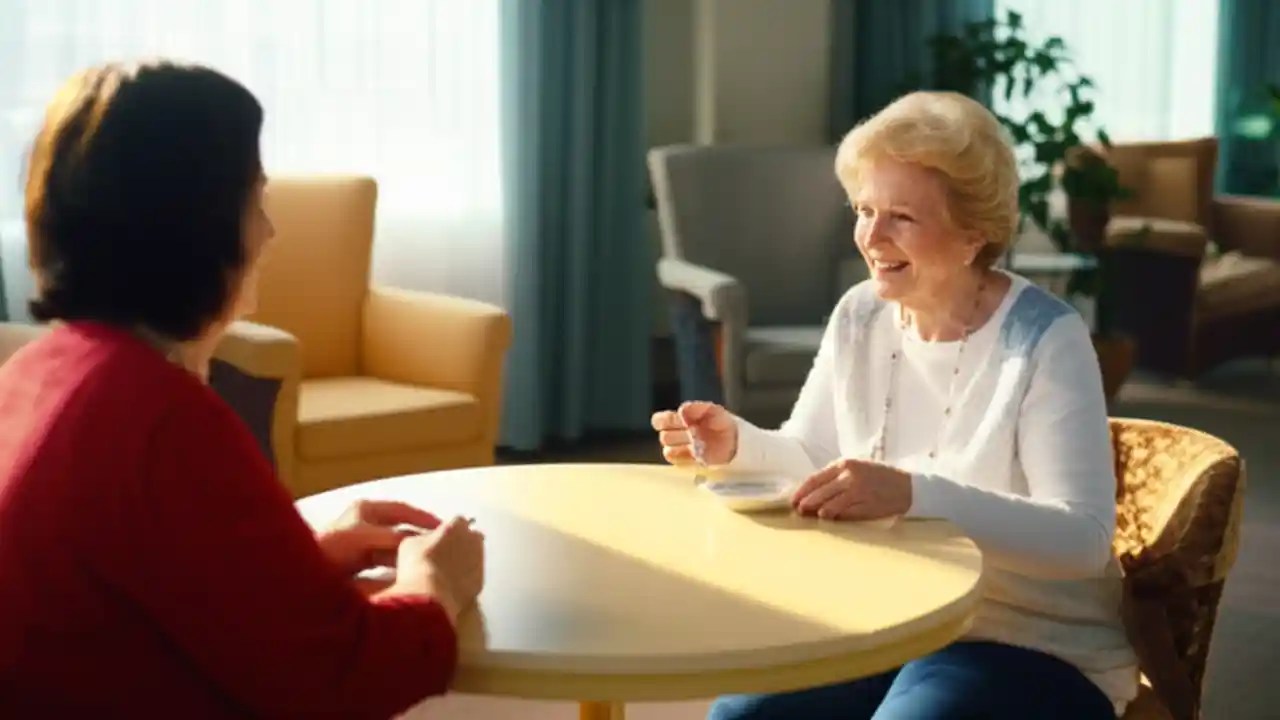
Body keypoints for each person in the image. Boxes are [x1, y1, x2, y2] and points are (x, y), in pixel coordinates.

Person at [0, 61, 483, 717]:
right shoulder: (158, 417)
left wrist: (300, 565)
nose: (270, 233)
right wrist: (435, 585)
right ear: (197, 221)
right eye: (255, 201)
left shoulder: (40, 371)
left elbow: (138, 589)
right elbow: (342, 678)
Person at [653, 91, 1137, 719]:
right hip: (891, 621)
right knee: (738, 717)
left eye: (901, 217)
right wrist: (737, 445)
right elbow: (813, 456)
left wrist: (913, 493)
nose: (872, 237)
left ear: (974, 235)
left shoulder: (1046, 336)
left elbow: (1081, 540)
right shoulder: (862, 315)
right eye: (864, 209)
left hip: (1029, 644)